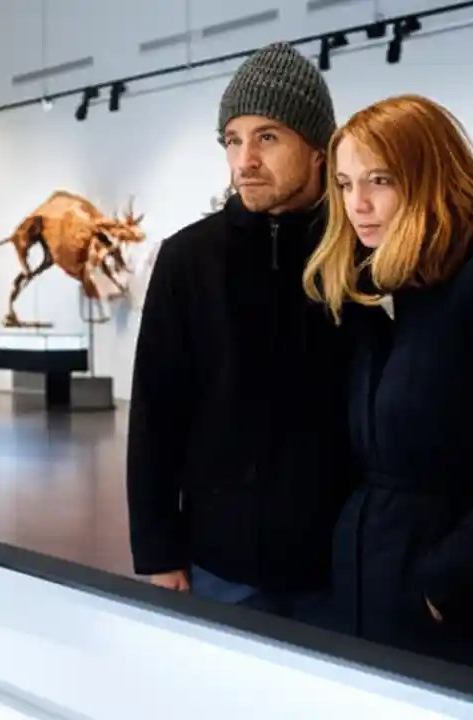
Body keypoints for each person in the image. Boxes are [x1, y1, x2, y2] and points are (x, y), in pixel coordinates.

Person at [301, 93, 473, 690]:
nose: (358, 204)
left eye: (380, 180)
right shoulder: (390, 291)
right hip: (377, 597)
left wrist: (445, 580)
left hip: (467, 614)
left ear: (426, 176)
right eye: (347, 184)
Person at [125, 41, 355, 625]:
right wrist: (159, 551)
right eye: (233, 139)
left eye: (268, 137)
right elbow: (156, 414)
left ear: (318, 150)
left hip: (340, 565)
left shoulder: (358, 256)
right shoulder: (187, 260)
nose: (245, 159)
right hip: (220, 566)